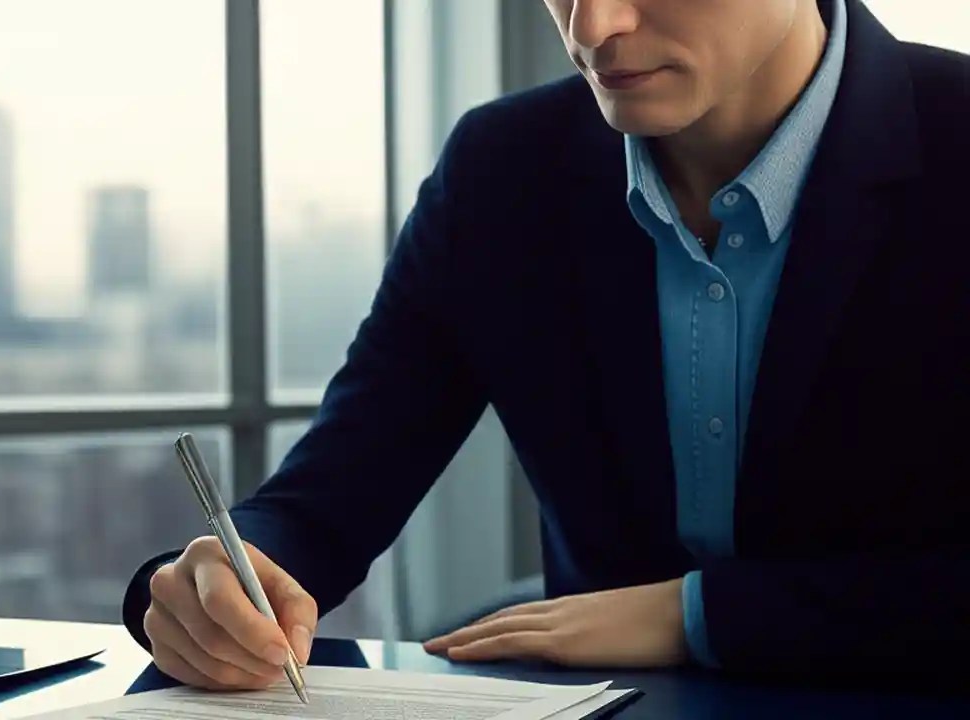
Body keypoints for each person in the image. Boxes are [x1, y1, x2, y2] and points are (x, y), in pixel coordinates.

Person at [123, 0, 970, 689]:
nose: (591, 26)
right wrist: (219, 582)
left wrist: (695, 616)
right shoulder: (503, 170)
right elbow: (331, 495)